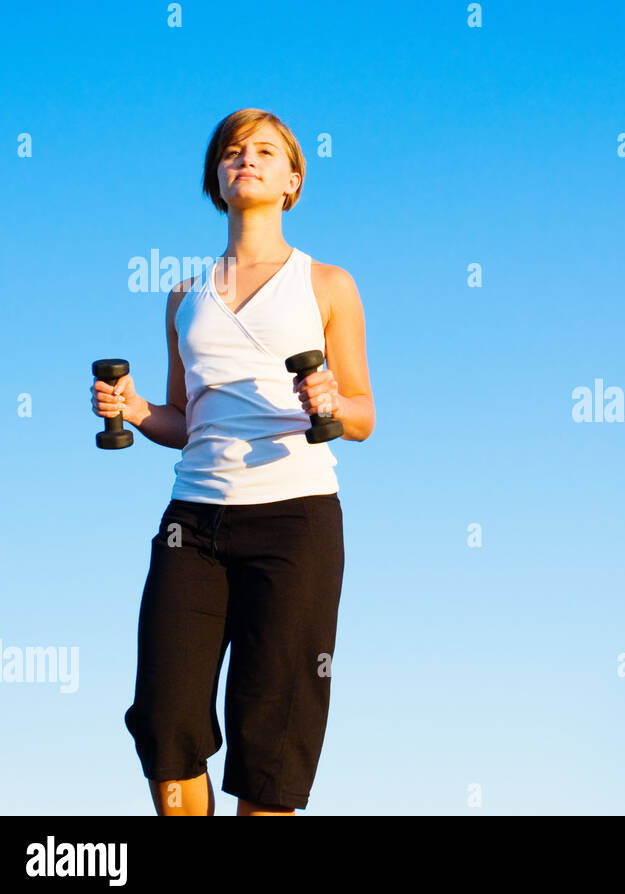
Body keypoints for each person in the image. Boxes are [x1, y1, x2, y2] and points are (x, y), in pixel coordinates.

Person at [91, 108, 375, 815]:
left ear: (292, 181)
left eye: (265, 150)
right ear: (217, 178)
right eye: (233, 151)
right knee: (165, 722)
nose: (245, 157)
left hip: (297, 522)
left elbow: (364, 415)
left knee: (271, 740)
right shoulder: (185, 296)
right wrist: (133, 410)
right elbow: (185, 421)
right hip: (194, 524)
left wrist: (332, 399)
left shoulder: (328, 284)